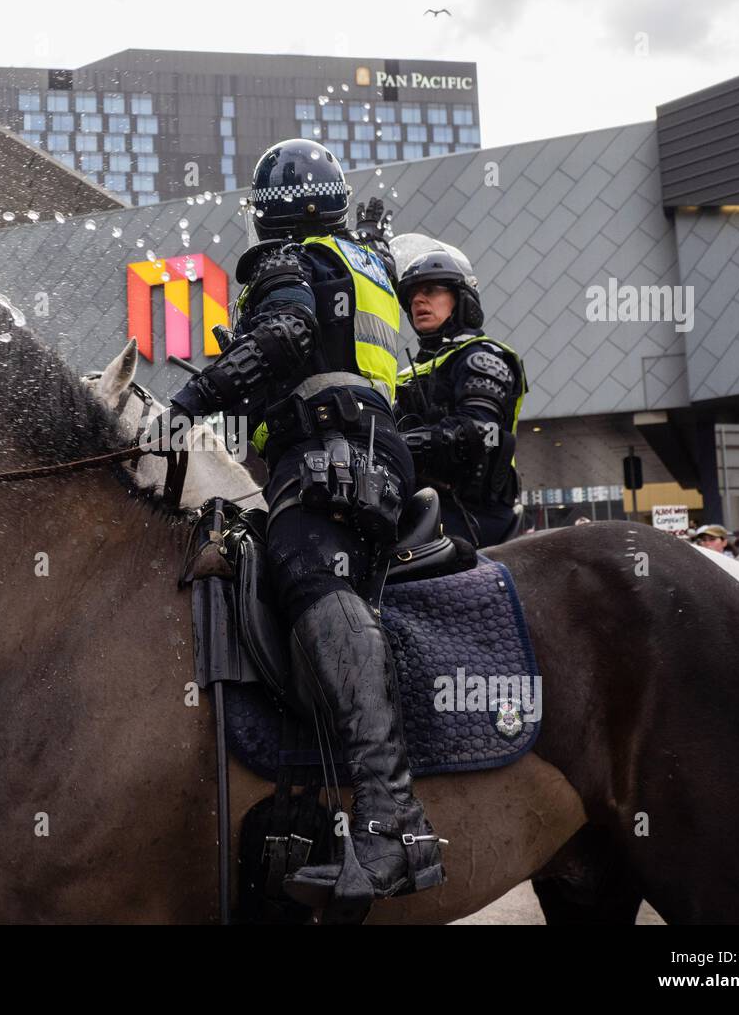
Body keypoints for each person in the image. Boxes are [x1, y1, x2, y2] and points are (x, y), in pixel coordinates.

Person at [148, 138, 443, 917]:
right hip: (372, 448)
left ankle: (391, 821)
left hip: (328, 457)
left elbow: (281, 341)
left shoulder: (287, 260)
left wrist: (186, 401)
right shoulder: (362, 262)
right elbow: (316, 353)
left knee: (306, 567)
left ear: (269, 211)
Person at [390, 235, 528, 547]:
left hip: (474, 511)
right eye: (412, 295)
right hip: (425, 502)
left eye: (430, 290)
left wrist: (400, 444)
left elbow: (476, 432)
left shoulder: (481, 356)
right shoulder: (409, 372)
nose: (417, 301)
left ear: (461, 297)